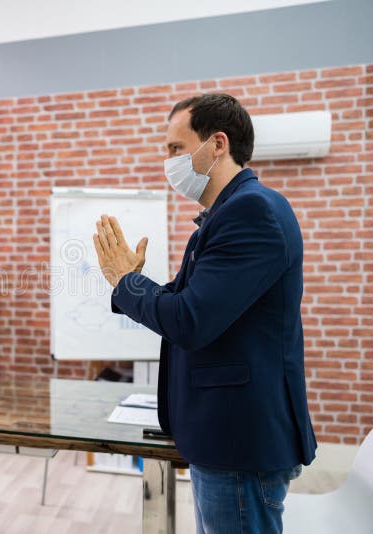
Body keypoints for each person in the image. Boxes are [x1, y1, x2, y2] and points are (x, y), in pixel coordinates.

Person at [93, 93, 317, 533]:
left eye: (176, 148)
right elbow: (184, 307)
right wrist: (131, 282)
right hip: (226, 435)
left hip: (238, 440)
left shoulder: (251, 213)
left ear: (217, 144)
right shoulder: (223, 217)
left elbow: (188, 323)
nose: (169, 160)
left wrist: (125, 281)